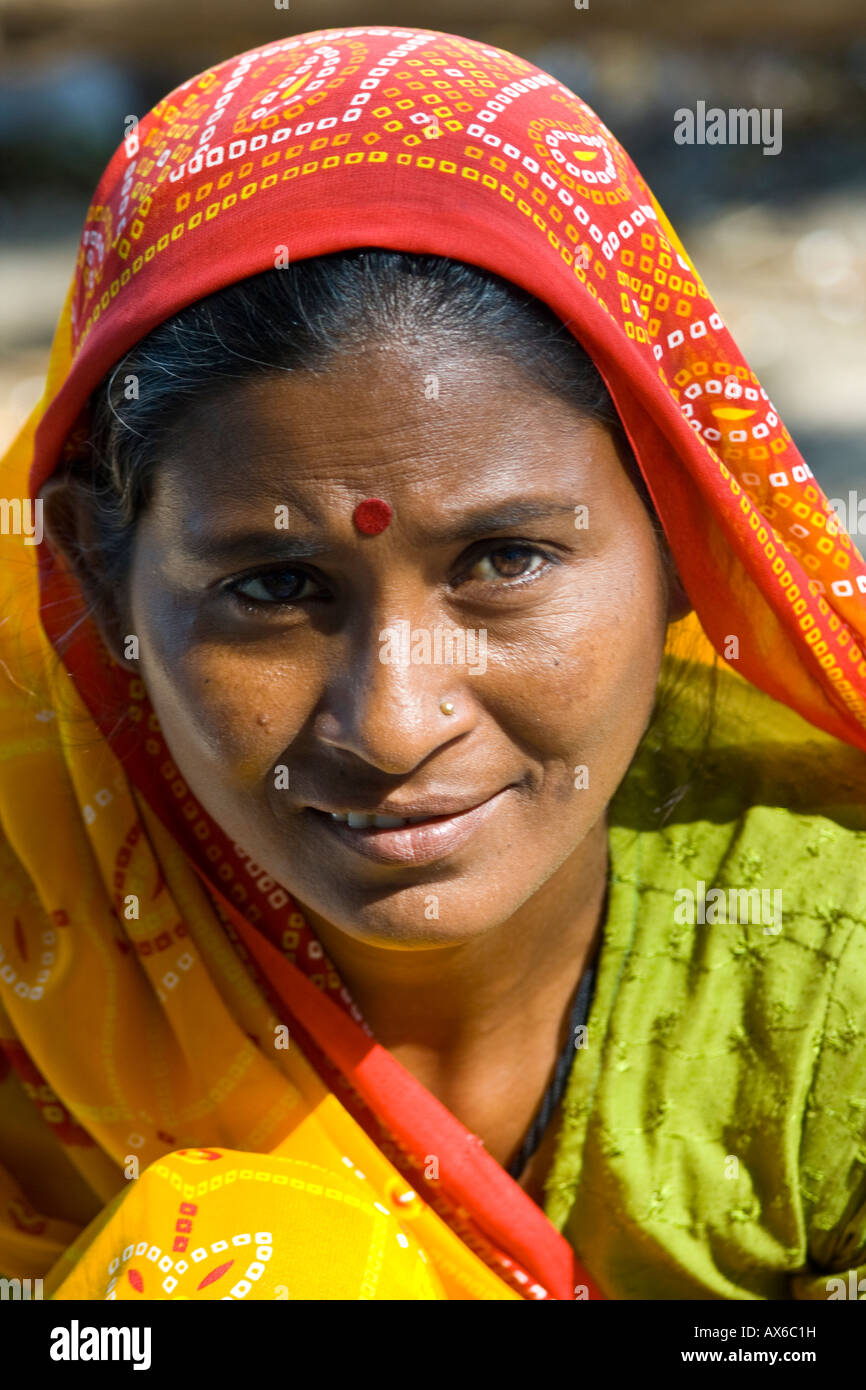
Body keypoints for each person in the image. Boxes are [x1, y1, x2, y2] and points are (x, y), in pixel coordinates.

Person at [1, 24, 865, 1302]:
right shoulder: (38, 908)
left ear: (690, 529)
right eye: (275, 588)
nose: (394, 723)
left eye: (504, 562)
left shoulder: (819, 987)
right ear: (89, 570)